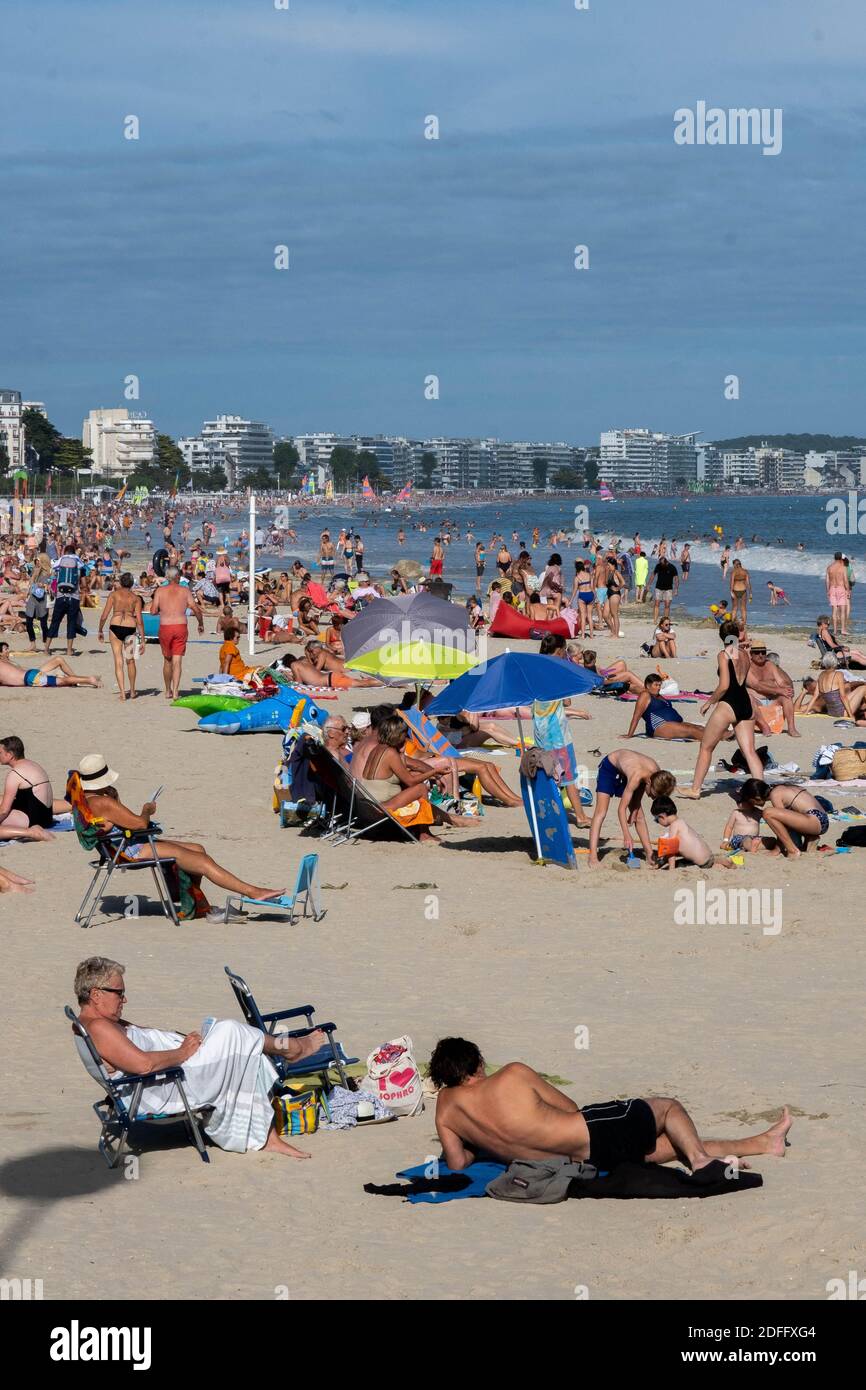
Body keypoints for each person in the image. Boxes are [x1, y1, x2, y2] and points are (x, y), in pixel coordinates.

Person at [73, 957, 327, 1158]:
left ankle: (269, 1133)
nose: (124, 999)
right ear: (96, 994)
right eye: (119, 993)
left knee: (236, 1041)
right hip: (165, 1088)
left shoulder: (95, 1022)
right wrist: (184, 1051)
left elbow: (141, 1042)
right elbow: (144, 1064)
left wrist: (186, 1043)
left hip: (165, 1078)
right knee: (232, 1031)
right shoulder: (100, 1028)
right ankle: (292, 1048)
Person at [430, 1038, 791, 1177]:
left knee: (668, 1146)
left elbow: (458, 1162)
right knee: (667, 1109)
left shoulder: (445, 1108)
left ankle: (764, 1143)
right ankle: (701, 1163)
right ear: (477, 1064)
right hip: (590, 1132)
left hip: (579, 1162)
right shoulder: (511, 1074)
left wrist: (485, 1143)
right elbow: (570, 1107)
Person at [76, 754, 287, 899]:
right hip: (129, 850)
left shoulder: (86, 800)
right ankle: (252, 891)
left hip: (117, 846)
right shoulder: (103, 803)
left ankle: (185, 899)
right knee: (201, 860)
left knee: (197, 848)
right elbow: (140, 824)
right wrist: (147, 809)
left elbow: (119, 822)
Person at [680, 622, 764, 799]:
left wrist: (709, 702)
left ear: (721, 637)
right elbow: (747, 681)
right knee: (749, 751)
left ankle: (695, 789)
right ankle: (760, 791)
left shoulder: (724, 654)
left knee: (706, 747)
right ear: (736, 635)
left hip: (729, 703)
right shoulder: (744, 654)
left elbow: (724, 685)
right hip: (745, 703)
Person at [588, 751, 674, 867]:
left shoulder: (656, 774)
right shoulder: (636, 776)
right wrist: (626, 834)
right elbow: (621, 809)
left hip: (628, 771)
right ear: (649, 782)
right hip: (610, 767)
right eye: (652, 794)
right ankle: (592, 856)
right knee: (601, 812)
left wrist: (634, 810)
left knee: (638, 815)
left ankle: (649, 854)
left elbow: (639, 796)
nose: (651, 797)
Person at [150, 566, 205, 700]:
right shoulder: (185, 591)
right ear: (177, 577)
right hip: (180, 626)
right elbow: (196, 609)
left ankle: (168, 690)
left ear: (167, 577)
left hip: (166, 627)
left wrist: (164, 610)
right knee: (177, 660)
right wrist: (200, 624)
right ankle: (175, 692)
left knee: (167, 660)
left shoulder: (160, 591)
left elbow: (152, 611)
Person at [739, 778, 828, 857]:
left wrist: (777, 849)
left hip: (814, 820)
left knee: (768, 813)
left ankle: (792, 850)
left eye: (751, 801)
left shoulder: (775, 794)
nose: (752, 805)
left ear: (757, 797)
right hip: (821, 818)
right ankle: (810, 837)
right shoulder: (782, 787)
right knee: (787, 815)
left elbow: (783, 824)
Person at [0, 735, 68, 835]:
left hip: (34, 821)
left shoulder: (15, 774)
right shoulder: (33, 765)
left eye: (0, 752)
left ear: (10, 754)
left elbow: (4, 811)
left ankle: (31, 833)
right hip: (46, 816)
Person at [98, 574, 145, 702]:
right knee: (130, 660)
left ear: (121, 583)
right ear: (131, 584)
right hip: (130, 628)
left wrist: (100, 630)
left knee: (118, 661)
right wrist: (143, 639)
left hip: (115, 626)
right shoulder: (136, 598)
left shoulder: (114, 595)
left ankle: (123, 693)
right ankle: (133, 690)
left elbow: (104, 615)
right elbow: (139, 620)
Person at [649, 796, 729, 869]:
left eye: (656, 820)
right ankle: (719, 862)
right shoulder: (682, 823)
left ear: (662, 816)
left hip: (702, 864)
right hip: (709, 856)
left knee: (677, 861)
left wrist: (671, 869)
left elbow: (671, 852)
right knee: (675, 853)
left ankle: (717, 865)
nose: (658, 822)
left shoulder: (673, 827)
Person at [625, 674, 705, 742]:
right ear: (648, 686)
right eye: (656, 685)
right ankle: (710, 742)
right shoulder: (645, 695)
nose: (659, 688)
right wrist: (629, 735)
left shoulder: (659, 696)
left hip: (673, 723)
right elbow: (636, 716)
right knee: (692, 731)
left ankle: (714, 739)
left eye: (660, 685)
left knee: (699, 728)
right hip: (658, 725)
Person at [745, 642, 800, 737]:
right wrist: (779, 690)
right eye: (757, 653)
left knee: (786, 696)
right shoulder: (747, 666)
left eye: (763, 652)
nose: (761, 655)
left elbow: (781, 681)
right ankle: (764, 726)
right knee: (748, 698)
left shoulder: (770, 665)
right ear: (751, 654)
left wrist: (787, 688)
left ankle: (791, 728)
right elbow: (756, 685)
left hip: (772, 700)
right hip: (756, 701)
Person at [0, 644, 101, 689]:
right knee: (60, 673)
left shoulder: (5, 662)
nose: (8, 651)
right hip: (31, 674)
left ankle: (89, 680)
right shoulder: (6, 662)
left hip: (31, 677)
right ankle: (79, 680)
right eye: (6, 649)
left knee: (62, 681)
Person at [46, 542, 85, 657]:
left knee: (55, 622)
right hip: (73, 597)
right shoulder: (78, 562)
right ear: (74, 552)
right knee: (71, 623)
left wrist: (51, 587)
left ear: (65, 552)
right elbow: (83, 581)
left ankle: (46, 649)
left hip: (60, 596)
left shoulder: (60, 562)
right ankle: (68, 650)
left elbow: (52, 576)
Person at [826, 552, 851, 636]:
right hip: (841, 588)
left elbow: (827, 580)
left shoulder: (829, 567)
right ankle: (843, 630)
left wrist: (828, 591)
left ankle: (835, 631)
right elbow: (845, 580)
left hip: (832, 588)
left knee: (834, 611)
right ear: (841, 558)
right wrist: (848, 590)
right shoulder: (843, 567)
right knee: (842, 611)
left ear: (834, 558)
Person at [651, 556, 678, 623]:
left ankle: (665, 621)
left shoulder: (672, 567)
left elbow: (676, 579)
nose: (661, 565)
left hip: (668, 589)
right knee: (657, 604)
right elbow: (653, 575)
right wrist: (649, 584)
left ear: (666, 562)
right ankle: (655, 620)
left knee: (667, 605)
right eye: (660, 564)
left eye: (662, 564)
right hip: (658, 587)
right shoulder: (658, 566)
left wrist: (676, 589)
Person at [729, 558, 752, 627]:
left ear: (735, 565)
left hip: (735, 590)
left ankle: (733, 623)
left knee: (734, 608)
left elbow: (732, 582)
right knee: (743, 608)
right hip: (743, 590)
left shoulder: (733, 572)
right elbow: (748, 583)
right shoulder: (745, 571)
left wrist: (731, 591)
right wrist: (750, 593)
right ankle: (744, 623)